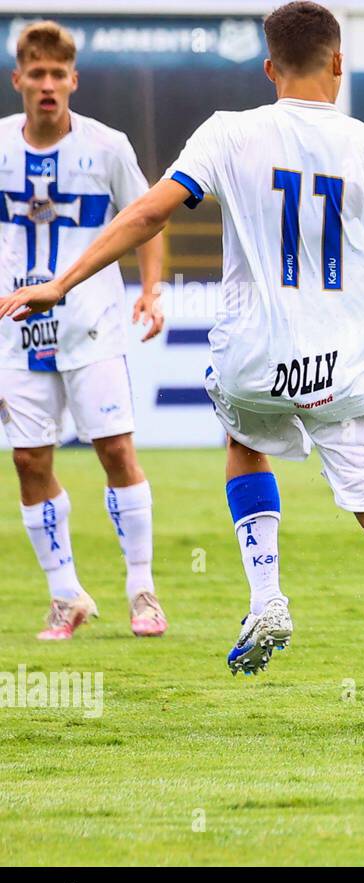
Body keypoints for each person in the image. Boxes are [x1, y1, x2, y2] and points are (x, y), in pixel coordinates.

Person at [0, 2, 364, 732]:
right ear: (338, 63)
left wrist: (61, 280)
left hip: (252, 362)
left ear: (269, 68)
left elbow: (147, 214)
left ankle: (267, 596)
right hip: (343, 370)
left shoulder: (229, 132)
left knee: (245, 443)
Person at [0, 20, 167, 641]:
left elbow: (148, 217)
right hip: (16, 332)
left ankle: (142, 589)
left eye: (57, 74)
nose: (47, 85)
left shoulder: (107, 146)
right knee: (28, 459)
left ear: (73, 80)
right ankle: (65, 594)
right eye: (36, 74)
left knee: (115, 450)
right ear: (18, 80)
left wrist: (150, 292)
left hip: (92, 325)